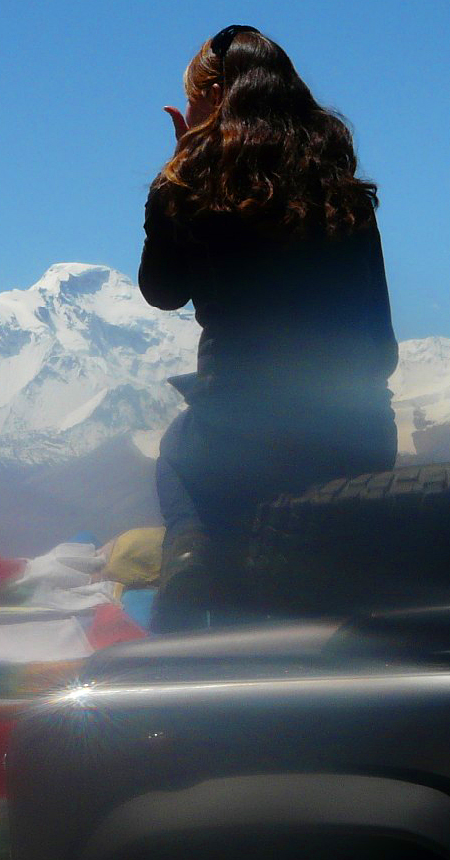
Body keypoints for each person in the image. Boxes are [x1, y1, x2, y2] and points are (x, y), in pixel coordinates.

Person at [141, 25, 398, 632]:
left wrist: (176, 173)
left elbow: (162, 292)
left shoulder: (195, 188)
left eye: (195, 97)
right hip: (354, 436)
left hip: (239, 430)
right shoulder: (346, 196)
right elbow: (378, 338)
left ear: (213, 94)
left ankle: (187, 552)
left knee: (175, 452)